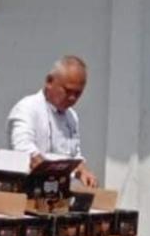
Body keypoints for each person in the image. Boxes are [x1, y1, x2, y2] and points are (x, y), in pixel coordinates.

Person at [6, 55, 98, 188]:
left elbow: (74, 154)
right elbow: (23, 149)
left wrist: (83, 170)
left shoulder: (72, 116)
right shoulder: (27, 108)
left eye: (78, 93)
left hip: (59, 193)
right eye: (67, 91)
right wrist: (50, 170)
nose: (72, 98)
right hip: (28, 190)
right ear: (49, 81)